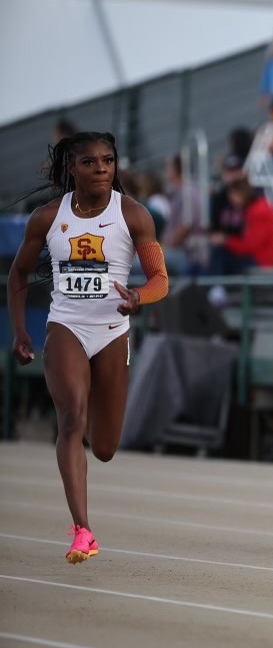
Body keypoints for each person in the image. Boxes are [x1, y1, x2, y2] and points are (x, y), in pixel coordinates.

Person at [7, 132, 169, 563]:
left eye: (108, 161)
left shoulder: (133, 215)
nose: (101, 169)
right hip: (66, 327)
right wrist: (21, 331)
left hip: (113, 331)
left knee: (104, 447)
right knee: (72, 416)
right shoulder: (46, 218)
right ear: (72, 168)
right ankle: (82, 530)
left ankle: (85, 515)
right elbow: (18, 274)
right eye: (90, 162)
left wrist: (139, 297)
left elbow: (160, 279)